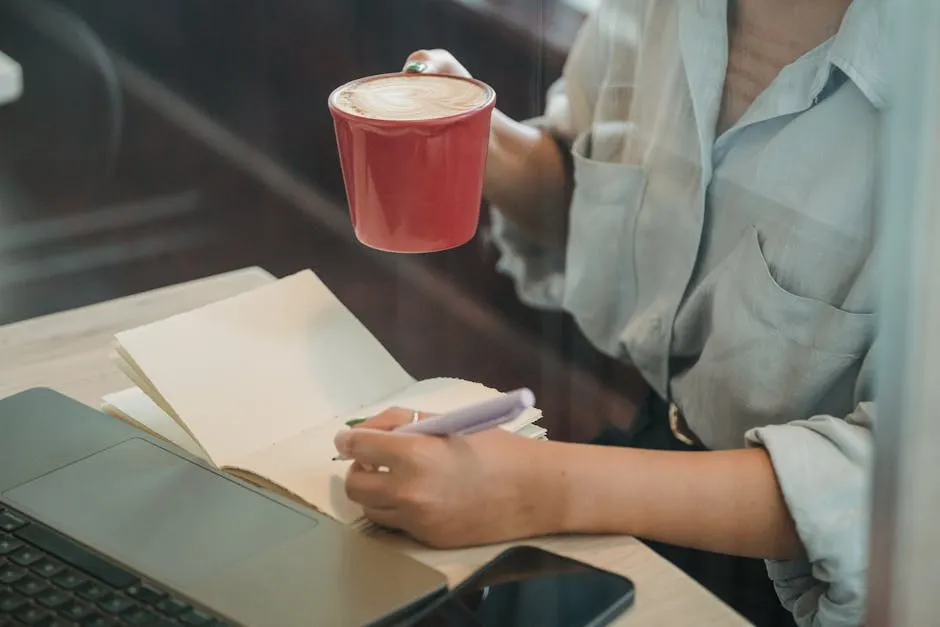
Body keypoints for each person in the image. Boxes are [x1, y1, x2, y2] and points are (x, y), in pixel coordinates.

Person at [333, 1, 883, 625]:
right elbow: (596, 200)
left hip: (807, 580)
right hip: (641, 466)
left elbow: (898, 493)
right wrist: (473, 132)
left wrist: (539, 488)